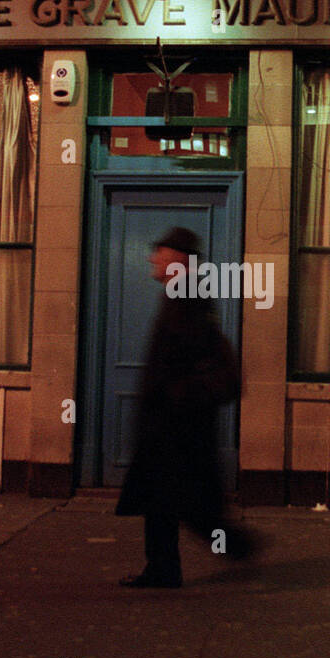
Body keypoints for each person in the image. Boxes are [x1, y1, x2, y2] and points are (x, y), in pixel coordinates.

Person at [116, 227, 256, 588]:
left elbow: (190, 357)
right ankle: (166, 566)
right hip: (173, 422)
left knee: (182, 500)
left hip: (175, 425)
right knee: (167, 498)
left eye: (158, 252)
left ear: (178, 259)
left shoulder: (187, 297)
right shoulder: (183, 294)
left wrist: (173, 400)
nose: (152, 258)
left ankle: (234, 549)